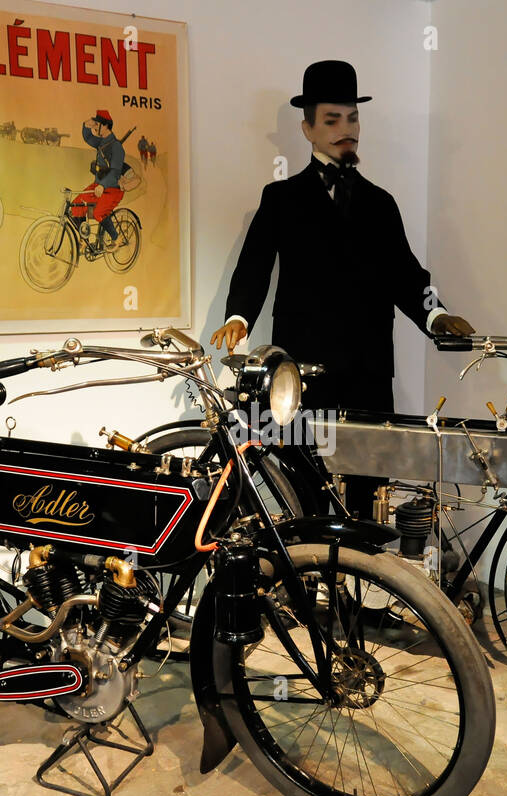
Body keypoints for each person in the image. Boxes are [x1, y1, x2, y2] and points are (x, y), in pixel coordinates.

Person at [210, 60, 473, 517]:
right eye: (331, 119)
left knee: (366, 494)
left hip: (368, 374)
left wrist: (435, 315)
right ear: (307, 128)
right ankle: (307, 583)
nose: (346, 129)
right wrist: (237, 317)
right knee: (304, 491)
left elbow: (408, 277)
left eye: (352, 118)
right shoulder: (281, 199)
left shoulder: (381, 203)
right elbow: (254, 268)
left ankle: (356, 581)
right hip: (302, 376)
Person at [73, 109, 125, 249]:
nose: (95, 127)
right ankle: (83, 240)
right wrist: (86, 124)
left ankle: (116, 238)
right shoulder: (102, 142)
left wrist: (102, 185)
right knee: (76, 205)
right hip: (98, 185)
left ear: (106, 125)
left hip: (112, 189)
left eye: (98, 124)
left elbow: (115, 173)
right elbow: (88, 138)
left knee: (97, 213)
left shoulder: (116, 146)